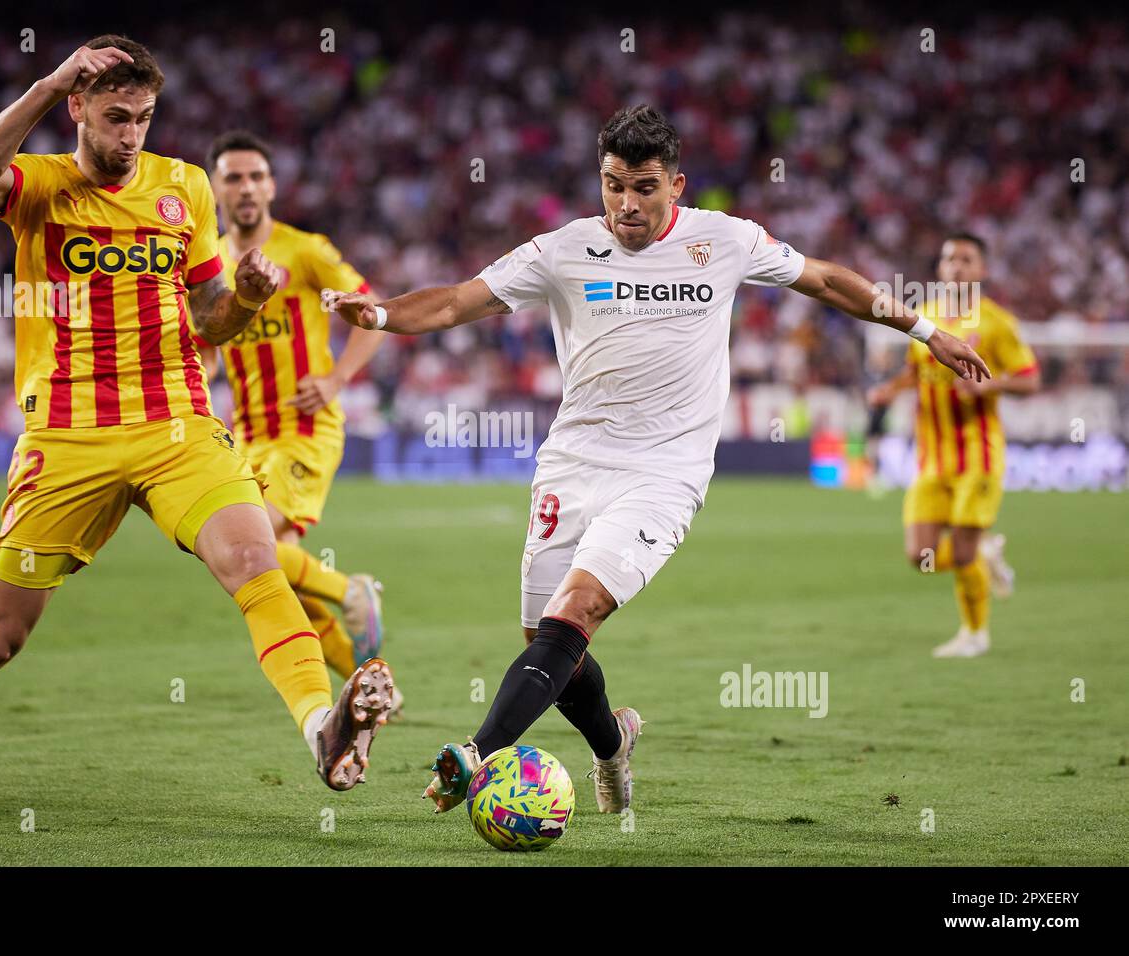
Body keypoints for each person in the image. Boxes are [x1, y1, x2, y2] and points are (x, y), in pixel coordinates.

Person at [327, 104, 989, 816]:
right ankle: (613, 743)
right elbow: (459, 301)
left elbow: (825, 280)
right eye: (613, 185)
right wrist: (384, 315)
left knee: (575, 612)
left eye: (644, 187)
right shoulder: (563, 249)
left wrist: (925, 329)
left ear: (676, 184)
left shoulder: (726, 241)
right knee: (547, 640)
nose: (626, 204)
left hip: (664, 474)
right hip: (572, 465)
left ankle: (476, 754)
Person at [0, 36, 394, 820]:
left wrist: (243, 296)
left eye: (143, 118)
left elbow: (211, 317)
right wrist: (48, 80)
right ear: (78, 107)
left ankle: (321, 726)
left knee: (256, 561)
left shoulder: (185, 187)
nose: (131, 135)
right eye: (116, 117)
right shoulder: (41, 184)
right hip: (68, 433)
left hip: (175, 421)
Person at [204, 131, 398, 709]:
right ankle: (371, 684)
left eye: (256, 176)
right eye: (233, 176)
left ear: (272, 186)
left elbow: (370, 312)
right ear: (214, 187)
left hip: (304, 430)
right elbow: (209, 344)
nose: (245, 187)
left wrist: (337, 379)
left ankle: (351, 589)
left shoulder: (304, 250)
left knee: (246, 545)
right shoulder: (210, 263)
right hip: (248, 437)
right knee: (271, 570)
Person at [868, 232, 1039, 657]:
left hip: (978, 457)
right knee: (920, 555)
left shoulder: (997, 322)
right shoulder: (923, 318)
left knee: (961, 553)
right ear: (940, 269)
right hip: (931, 459)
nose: (957, 266)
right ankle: (987, 554)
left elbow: (1030, 379)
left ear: (981, 270)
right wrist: (891, 389)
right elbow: (916, 371)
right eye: (950, 259)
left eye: (967, 259)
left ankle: (975, 634)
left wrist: (990, 387)